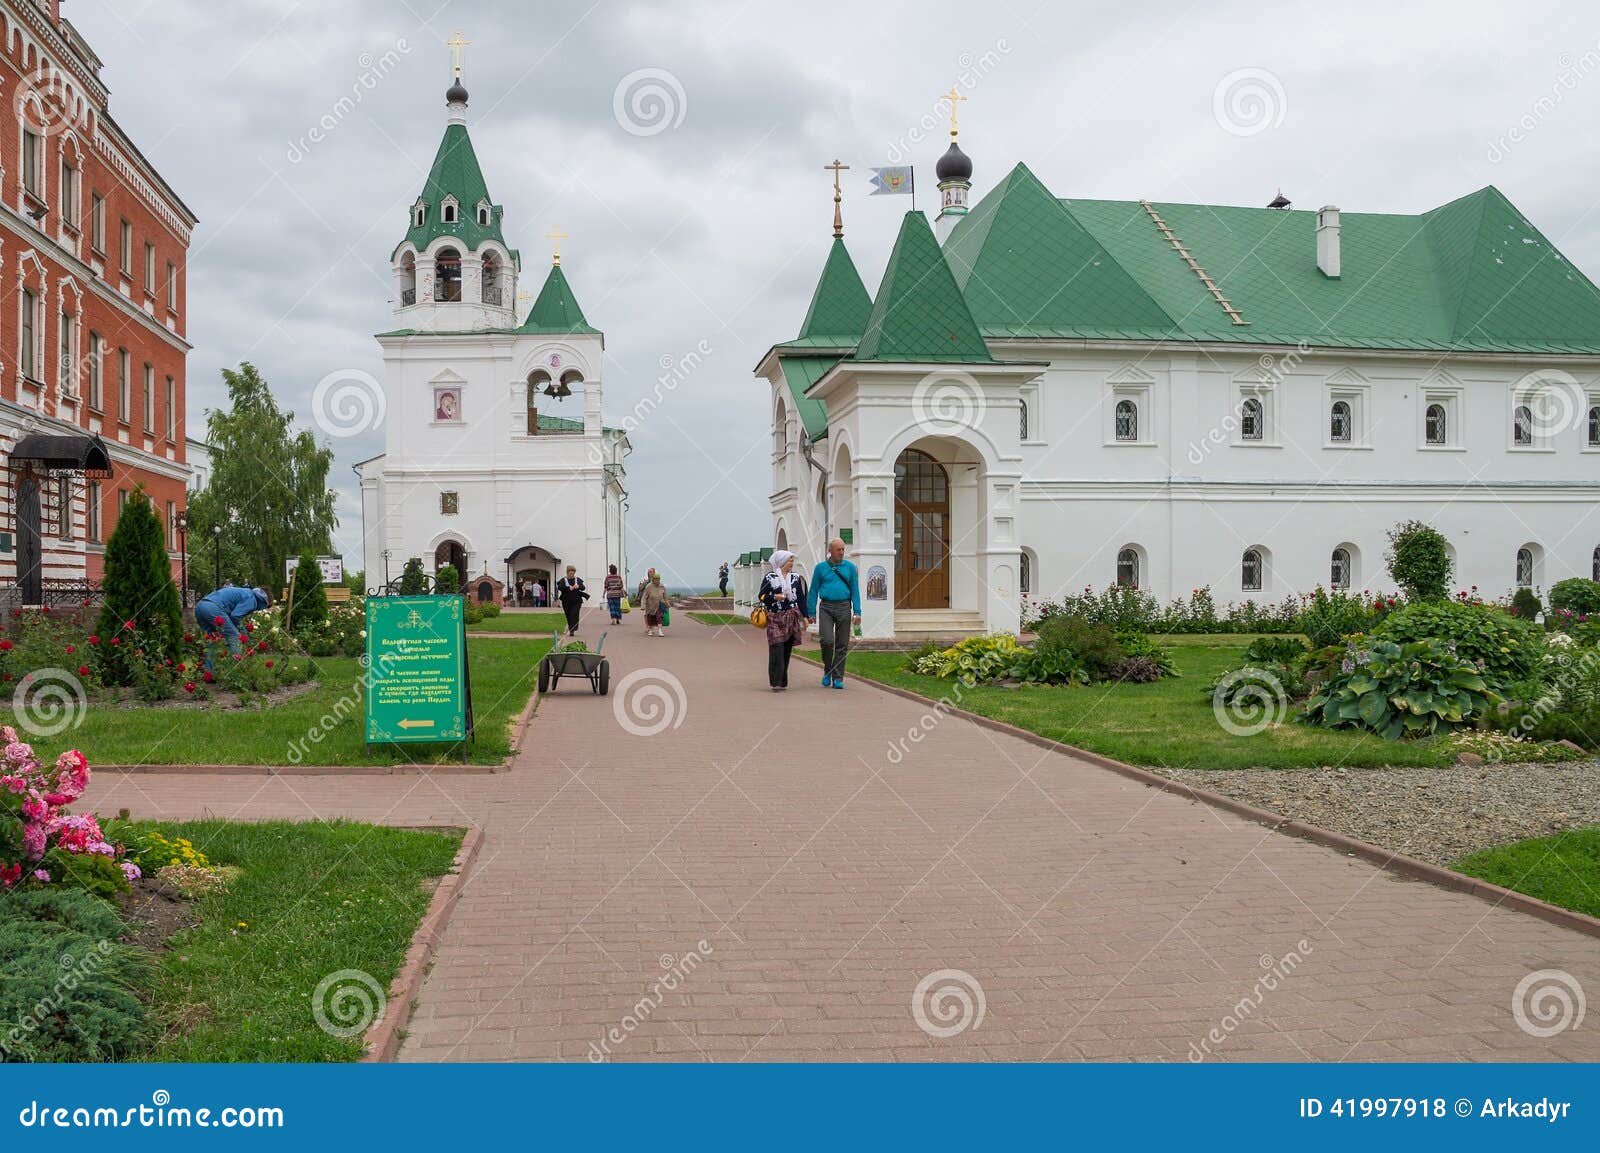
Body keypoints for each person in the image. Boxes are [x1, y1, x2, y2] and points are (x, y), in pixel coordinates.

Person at [807, 537, 862, 689]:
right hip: (826, 607)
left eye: (843, 549)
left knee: (842, 644)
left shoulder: (850, 567)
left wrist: (857, 612)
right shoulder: (820, 568)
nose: (842, 552)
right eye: (838, 549)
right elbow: (813, 591)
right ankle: (827, 670)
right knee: (827, 640)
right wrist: (810, 612)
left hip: (844, 607)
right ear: (830, 551)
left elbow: (855, 591)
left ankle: (838, 677)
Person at [759, 550, 809, 691]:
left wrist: (805, 617)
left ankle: (782, 681)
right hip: (775, 617)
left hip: (791, 618)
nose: (791, 563)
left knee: (786, 649)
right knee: (776, 648)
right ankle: (775, 682)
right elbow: (761, 596)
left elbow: (800, 598)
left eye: (792, 561)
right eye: (789, 561)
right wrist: (775, 597)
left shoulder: (795, 578)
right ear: (781, 562)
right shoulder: (770, 577)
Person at [194, 584, 270, 668]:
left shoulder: (246, 592)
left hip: (200, 606)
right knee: (235, 638)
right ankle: (235, 669)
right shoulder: (252, 599)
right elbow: (235, 616)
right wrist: (242, 631)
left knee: (214, 640)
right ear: (264, 602)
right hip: (214, 608)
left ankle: (210, 673)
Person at [554, 566, 588, 635]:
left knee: (574, 613)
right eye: (570, 572)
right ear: (567, 572)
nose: (572, 574)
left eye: (573, 572)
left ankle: (572, 629)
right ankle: (571, 629)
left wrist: (578, 586)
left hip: (577, 600)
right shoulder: (563, 580)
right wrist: (568, 588)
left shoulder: (577, 580)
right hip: (566, 601)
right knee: (568, 615)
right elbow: (560, 587)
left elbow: (583, 587)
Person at [640, 571, 669, 637]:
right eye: (656, 579)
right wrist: (643, 605)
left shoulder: (662, 586)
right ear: (653, 579)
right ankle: (650, 630)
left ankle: (660, 631)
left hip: (659, 604)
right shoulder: (649, 586)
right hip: (650, 605)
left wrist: (667, 603)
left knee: (659, 617)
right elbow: (644, 597)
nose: (657, 581)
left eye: (658, 579)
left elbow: (665, 596)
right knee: (650, 617)